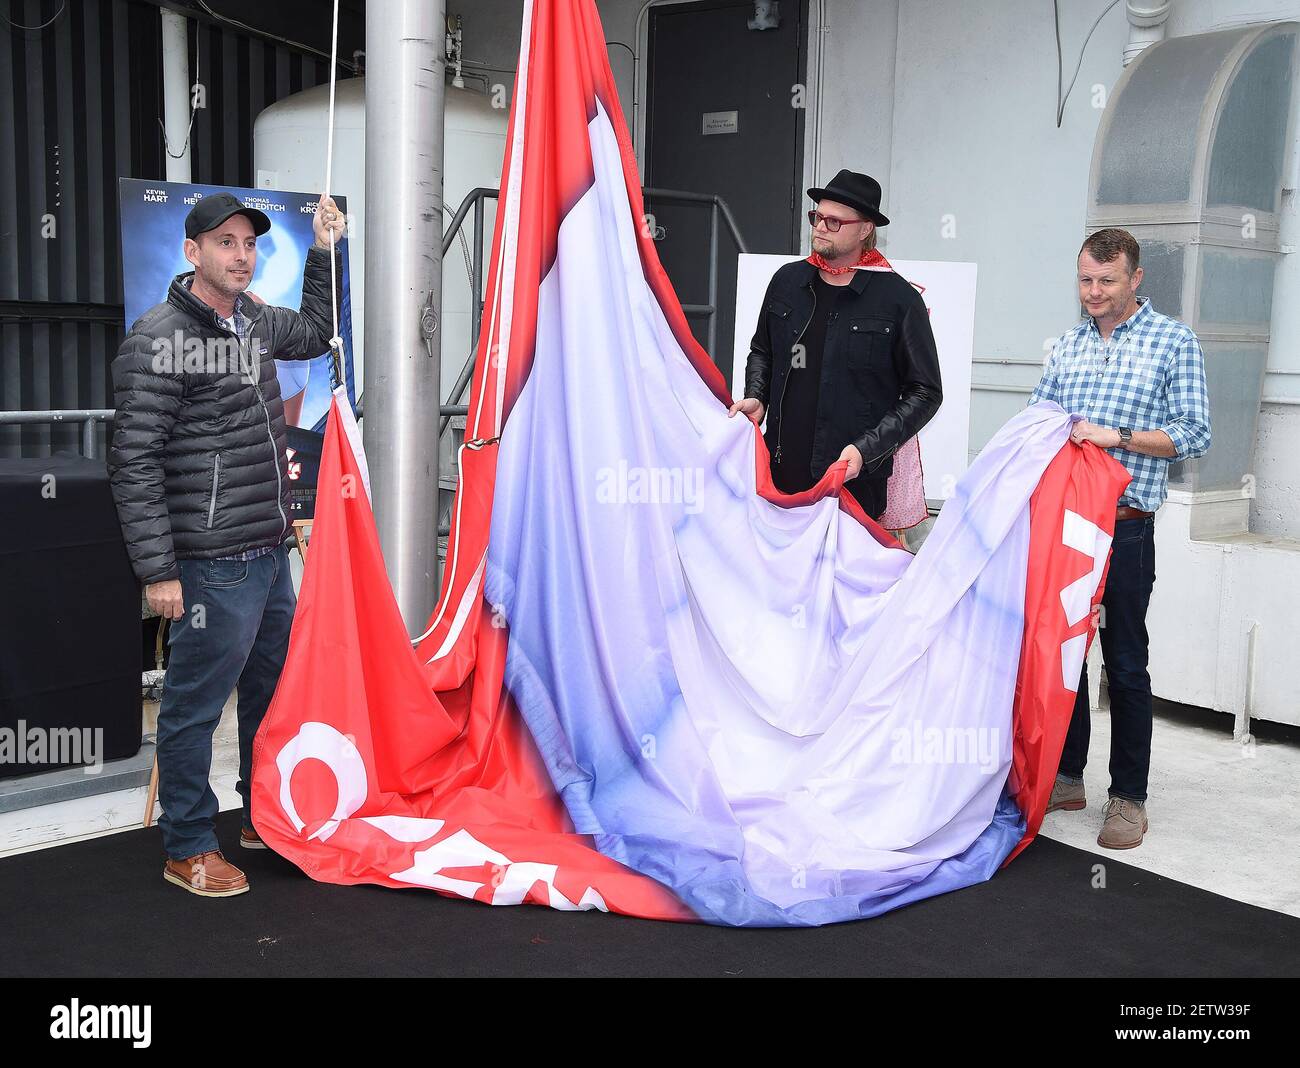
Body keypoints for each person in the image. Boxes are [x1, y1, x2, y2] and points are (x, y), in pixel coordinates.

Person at [108, 190, 346, 896]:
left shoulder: (252, 321)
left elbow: (314, 332)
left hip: (269, 553)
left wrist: (327, 255)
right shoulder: (157, 340)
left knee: (272, 694)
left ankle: (261, 815)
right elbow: (134, 461)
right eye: (225, 243)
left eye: (248, 244)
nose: (241, 256)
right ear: (193, 253)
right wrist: (158, 571)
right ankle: (186, 844)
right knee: (193, 706)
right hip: (210, 564)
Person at [1032, 227, 1211, 849]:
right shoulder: (1067, 345)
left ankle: (1129, 798)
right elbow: (1041, 420)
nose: (1093, 292)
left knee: (1126, 664)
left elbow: (1193, 433)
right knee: (1069, 656)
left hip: (1127, 529)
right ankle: (1067, 776)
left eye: (1107, 281)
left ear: (1136, 279)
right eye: (1085, 279)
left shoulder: (1174, 342)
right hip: (1068, 527)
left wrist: (1120, 436)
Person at [729, 169, 942, 521]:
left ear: (865, 229)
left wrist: (867, 450)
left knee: (841, 578)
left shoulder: (898, 300)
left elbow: (926, 391)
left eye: (834, 221)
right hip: (779, 474)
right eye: (817, 217)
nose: (820, 226)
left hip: (853, 485)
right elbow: (763, 351)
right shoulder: (787, 282)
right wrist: (757, 395)